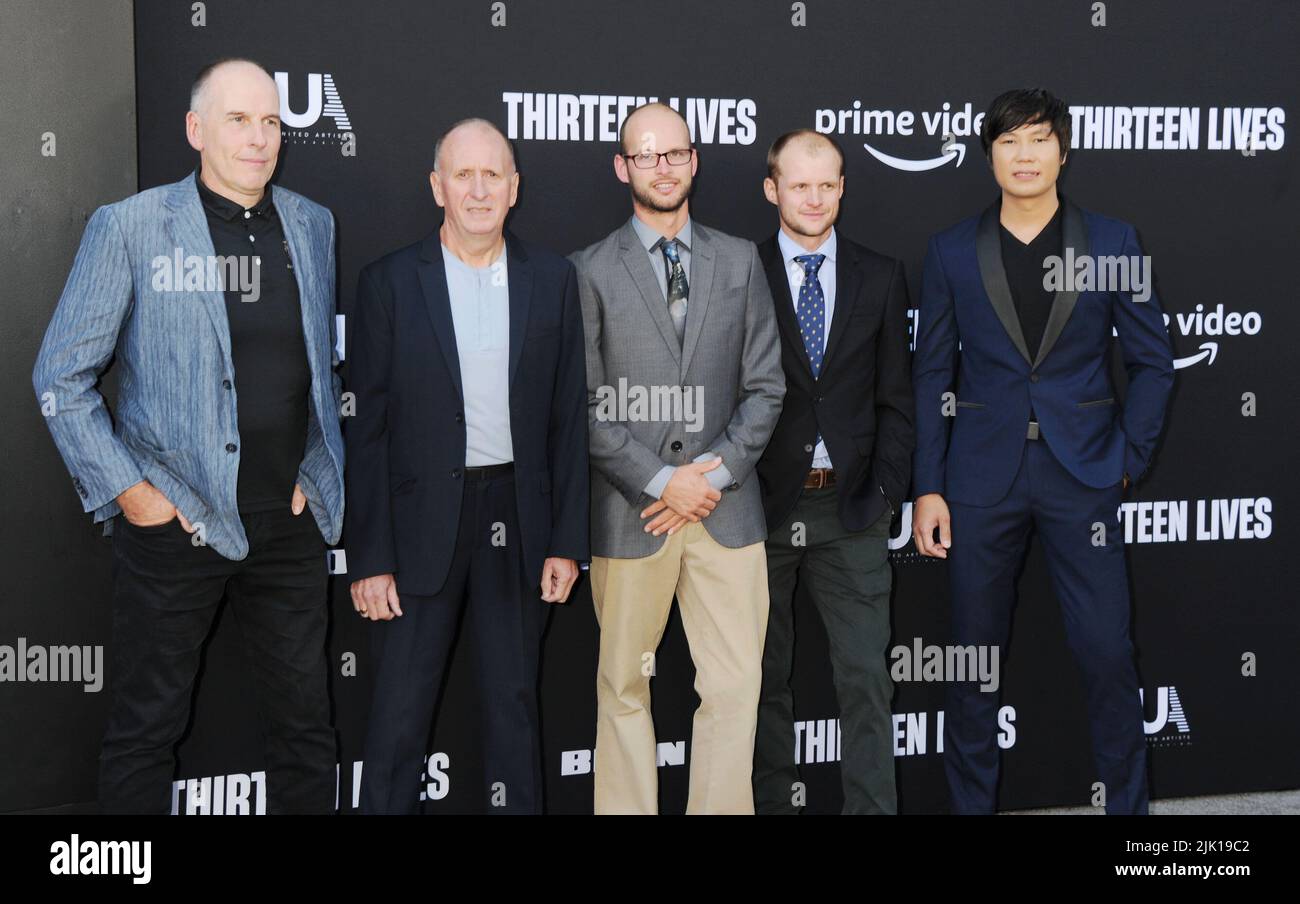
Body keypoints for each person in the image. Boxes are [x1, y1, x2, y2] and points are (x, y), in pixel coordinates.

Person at [32, 58, 344, 814]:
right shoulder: (132, 227)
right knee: (146, 730)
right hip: (176, 524)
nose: (259, 138)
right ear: (196, 129)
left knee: (306, 731)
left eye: (270, 122)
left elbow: (315, 367)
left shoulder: (312, 225)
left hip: (287, 524)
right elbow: (60, 377)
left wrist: (313, 472)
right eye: (239, 120)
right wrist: (132, 494)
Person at [911, 88, 1174, 815]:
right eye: (1008, 141)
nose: (1024, 155)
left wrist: (1128, 461)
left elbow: (1153, 363)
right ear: (988, 155)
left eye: (1038, 140)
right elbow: (932, 374)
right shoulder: (951, 250)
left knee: (1107, 654)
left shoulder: (1113, 243)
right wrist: (929, 486)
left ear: (1063, 151)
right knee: (971, 664)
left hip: (1083, 475)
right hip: (978, 481)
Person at [347, 118, 589, 814]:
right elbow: (365, 431)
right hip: (419, 524)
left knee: (514, 709)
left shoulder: (553, 279)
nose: (478, 190)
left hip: (518, 518)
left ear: (514, 188)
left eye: (492, 175)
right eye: (463, 175)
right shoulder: (389, 282)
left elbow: (569, 419)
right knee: (398, 715)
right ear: (437, 187)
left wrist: (566, 542)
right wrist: (370, 556)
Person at [571, 102, 785, 814]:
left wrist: (708, 477)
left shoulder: (740, 260)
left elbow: (765, 388)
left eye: (673, 153)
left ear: (694, 160)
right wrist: (662, 481)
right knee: (623, 688)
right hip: (633, 514)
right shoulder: (587, 271)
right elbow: (586, 406)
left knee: (734, 688)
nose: (661, 167)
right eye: (645, 154)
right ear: (621, 167)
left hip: (727, 509)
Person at [752, 130, 914, 814]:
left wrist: (884, 491)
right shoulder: (742, 271)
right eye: (799, 185)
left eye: (826, 185)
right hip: (759, 510)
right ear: (773, 190)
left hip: (851, 510)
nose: (814, 199)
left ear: (843, 188)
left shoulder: (881, 275)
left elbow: (897, 397)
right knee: (760, 682)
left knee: (867, 679)